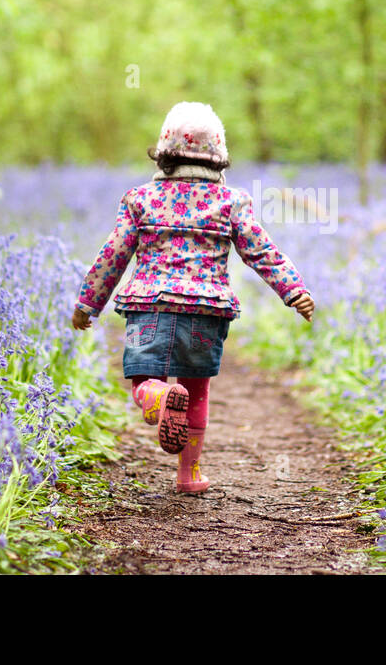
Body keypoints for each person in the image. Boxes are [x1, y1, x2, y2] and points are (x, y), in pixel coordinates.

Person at [71, 101, 314, 493]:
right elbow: (261, 252)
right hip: (206, 311)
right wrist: (294, 290)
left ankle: (160, 396)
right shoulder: (231, 203)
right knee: (197, 390)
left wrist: (88, 302)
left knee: (142, 380)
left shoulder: (139, 200)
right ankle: (189, 474)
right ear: (220, 158)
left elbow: (113, 255)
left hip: (150, 307)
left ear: (162, 152)